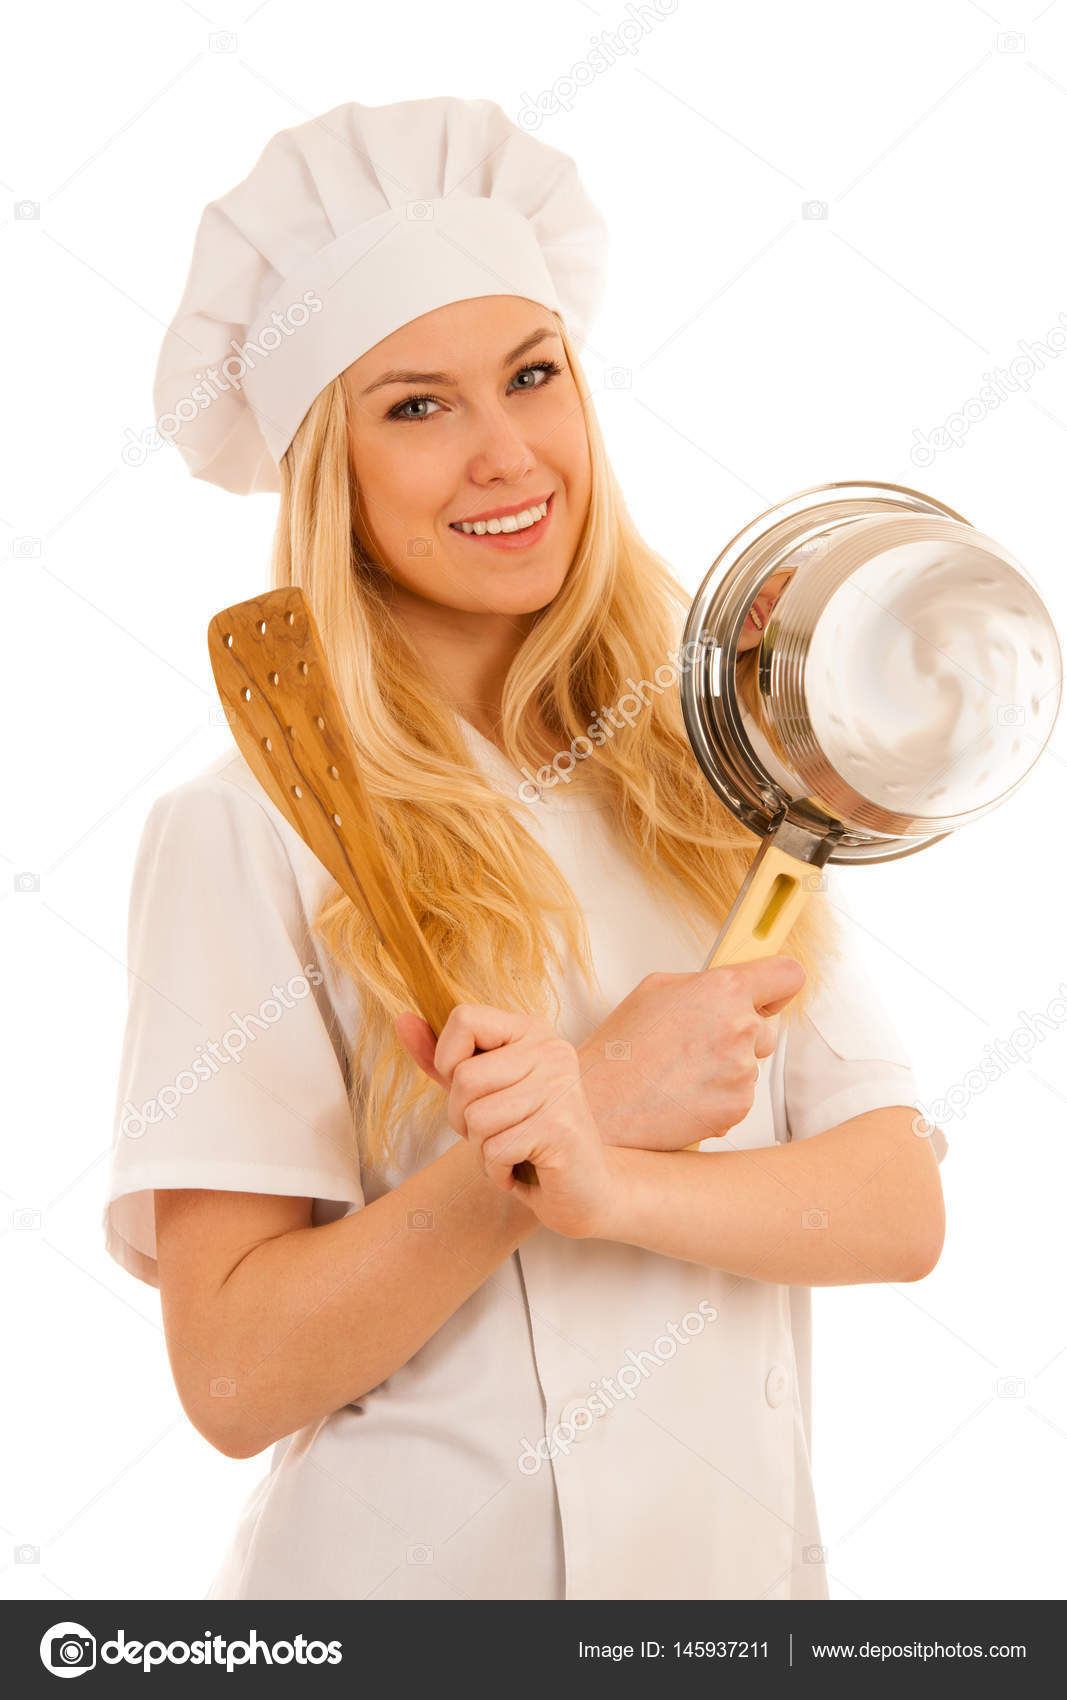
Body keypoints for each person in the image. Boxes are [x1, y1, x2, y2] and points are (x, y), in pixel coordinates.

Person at [102, 95, 947, 1602]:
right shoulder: (246, 828)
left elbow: (893, 1208)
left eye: (532, 377)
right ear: (329, 475)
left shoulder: (723, 771)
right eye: (415, 406)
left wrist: (608, 1177)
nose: (506, 457)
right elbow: (233, 1378)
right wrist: (538, 1147)